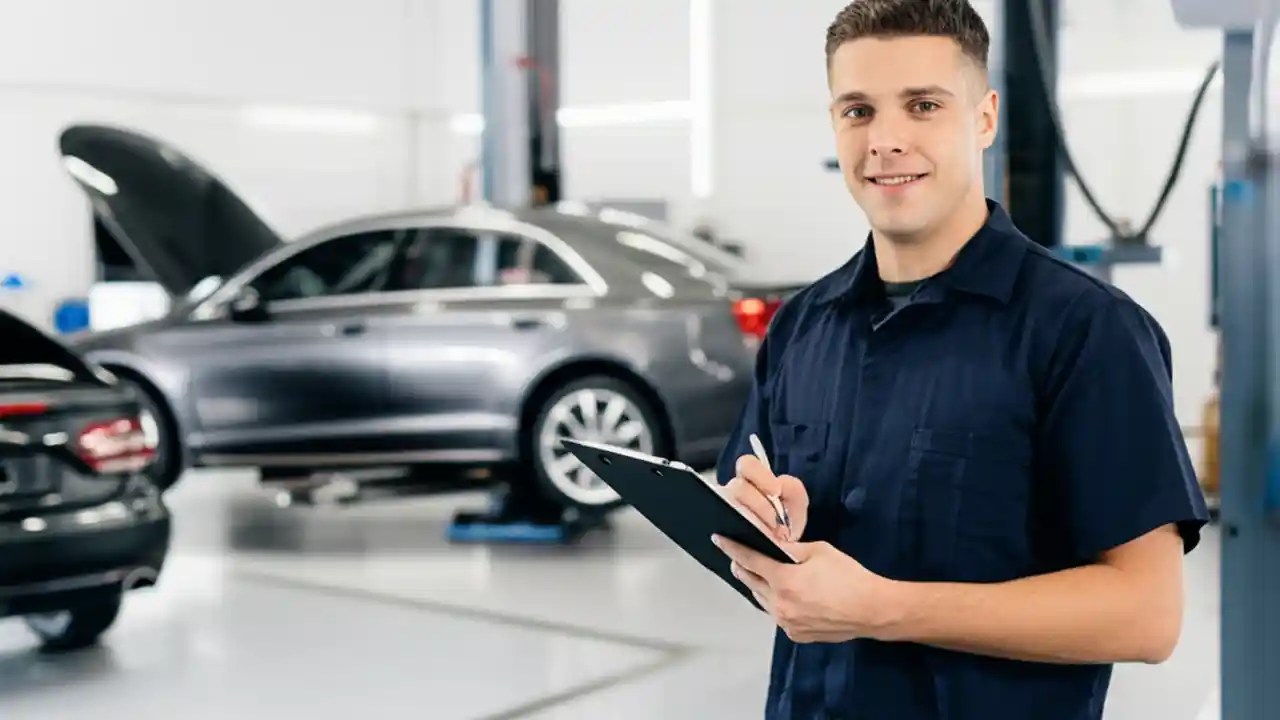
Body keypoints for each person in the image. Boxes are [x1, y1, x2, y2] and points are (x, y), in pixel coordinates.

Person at [711, 1, 1210, 718]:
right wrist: (756, 519)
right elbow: (750, 521)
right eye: (858, 111)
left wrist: (882, 608)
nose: (885, 140)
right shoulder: (801, 327)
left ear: (983, 118)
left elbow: (1146, 614)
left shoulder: (1086, 332)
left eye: (922, 105)